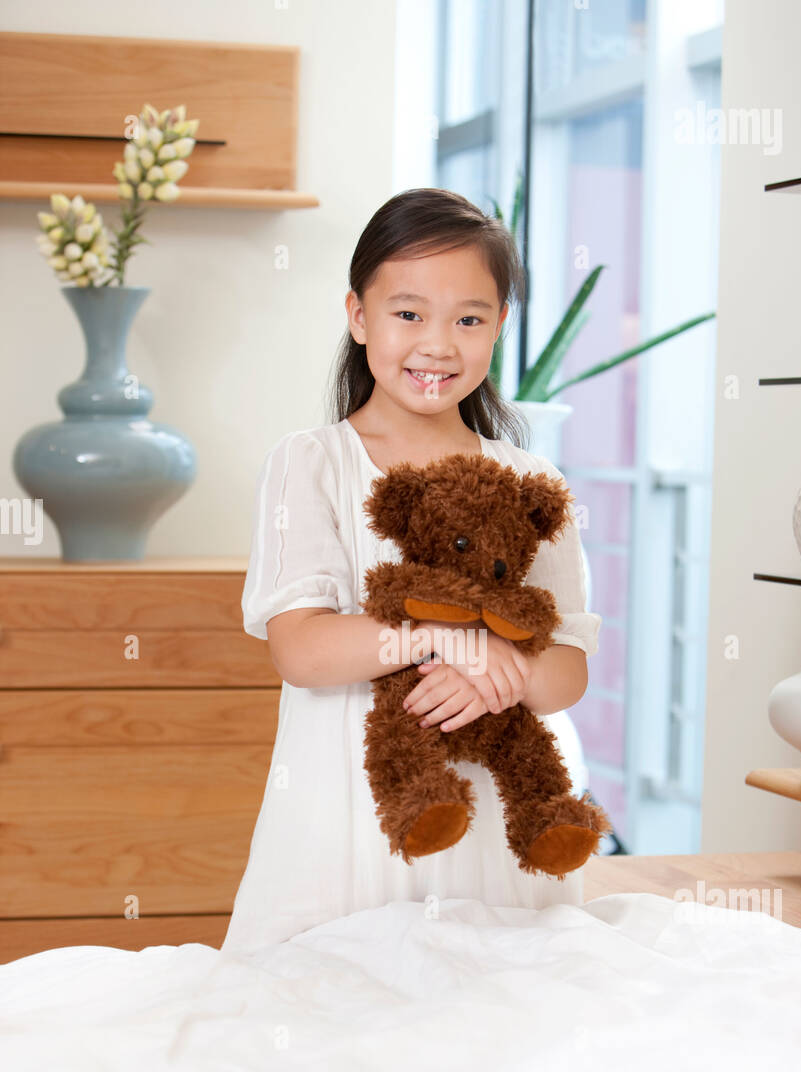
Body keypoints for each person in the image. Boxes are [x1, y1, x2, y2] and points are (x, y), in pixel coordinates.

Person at [220, 187, 602, 957]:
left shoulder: (531, 482)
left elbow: (565, 670)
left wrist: (508, 673)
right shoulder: (312, 465)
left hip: (494, 821)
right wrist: (452, 642)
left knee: (489, 1033)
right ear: (359, 316)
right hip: (348, 818)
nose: (438, 343)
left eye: (469, 318)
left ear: (499, 326)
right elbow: (302, 649)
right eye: (407, 314)